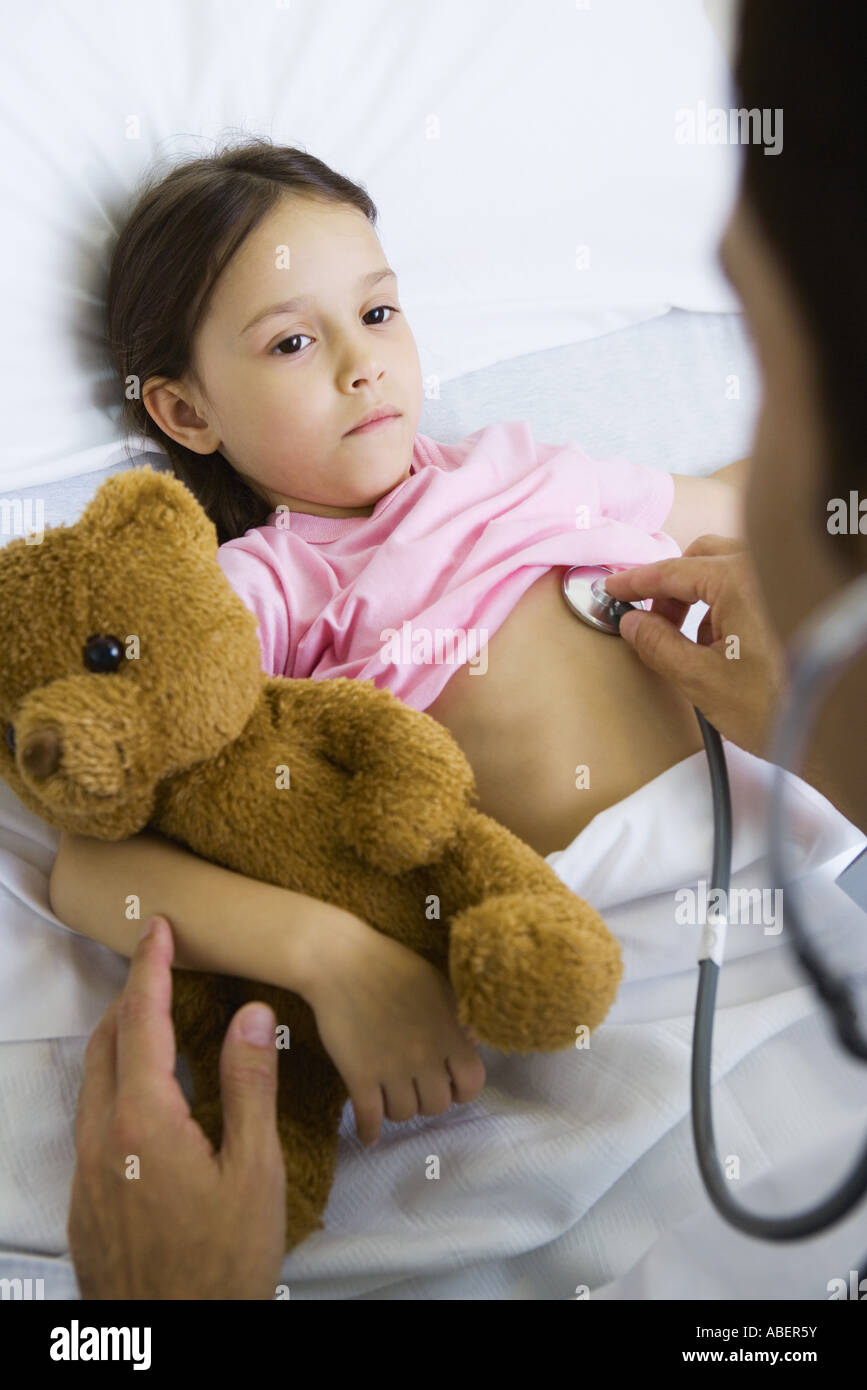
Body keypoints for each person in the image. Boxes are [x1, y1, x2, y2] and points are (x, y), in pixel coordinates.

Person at [64, 0, 866, 1297]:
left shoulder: (521, 465)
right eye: (292, 341)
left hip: (793, 895)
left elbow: (742, 497)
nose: (362, 366)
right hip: (576, 971)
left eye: (380, 312)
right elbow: (93, 867)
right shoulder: (258, 591)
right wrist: (337, 955)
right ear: (184, 410)